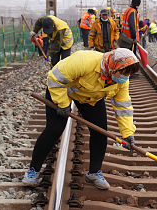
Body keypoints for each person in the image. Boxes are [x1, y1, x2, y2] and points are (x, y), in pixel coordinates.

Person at [23, 48, 139, 191]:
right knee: (55, 128)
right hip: (60, 89)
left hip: (89, 98)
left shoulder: (121, 81)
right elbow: (54, 78)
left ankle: (94, 173)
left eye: (128, 74)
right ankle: (33, 171)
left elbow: (123, 107)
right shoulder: (84, 61)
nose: (125, 77)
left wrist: (127, 133)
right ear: (113, 66)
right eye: (123, 72)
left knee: (100, 132)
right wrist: (63, 104)